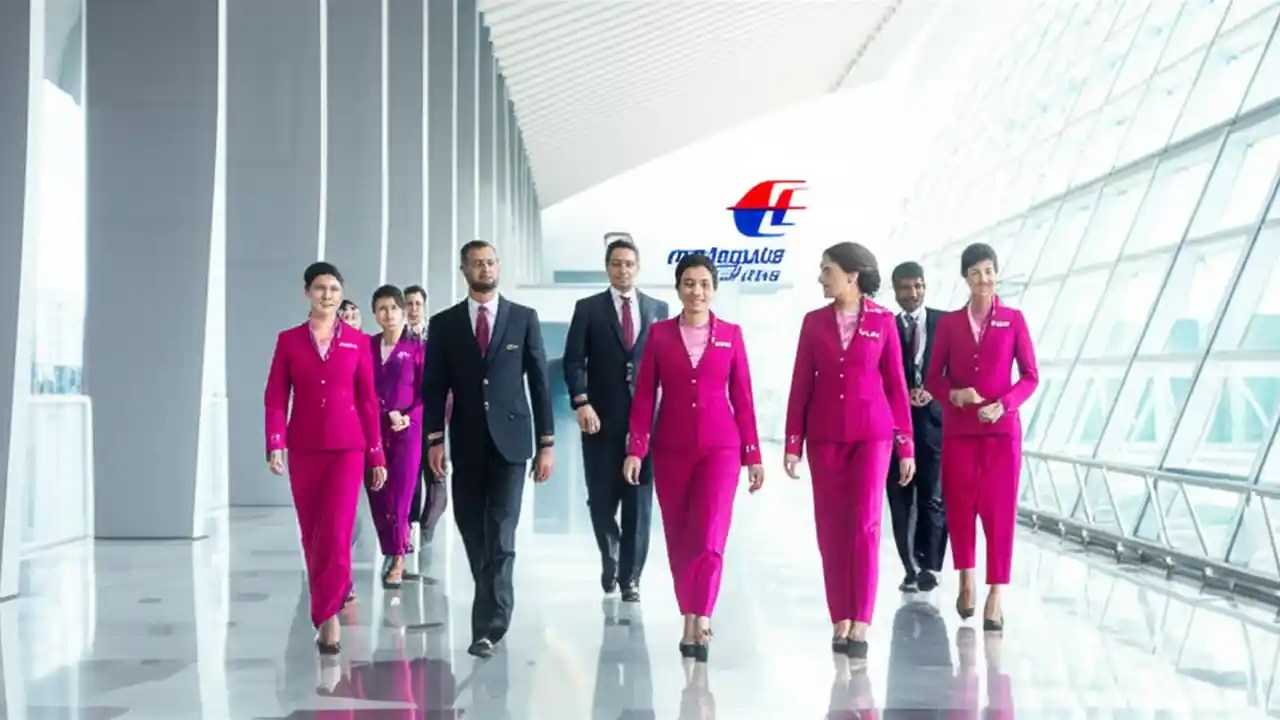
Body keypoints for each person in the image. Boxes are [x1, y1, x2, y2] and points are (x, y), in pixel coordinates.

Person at [623, 252, 765, 663]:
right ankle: (688, 611)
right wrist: (636, 449)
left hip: (721, 449)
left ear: (714, 289)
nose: (696, 291)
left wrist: (753, 455)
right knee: (680, 537)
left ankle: (702, 615)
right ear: (678, 288)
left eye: (704, 284)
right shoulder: (659, 335)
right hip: (671, 449)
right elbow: (644, 396)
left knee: (710, 534)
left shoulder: (732, 335)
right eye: (689, 283)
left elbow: (743, 397)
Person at [421, 240, 555, 659]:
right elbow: (433, 387)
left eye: (491, 262)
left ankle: (489, 627)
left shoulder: (523, 318)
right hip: (465, 442)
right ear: (464, 269)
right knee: (471, 528)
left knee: (501, 530)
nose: (486, 268)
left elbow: (540, 383)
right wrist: (434, 440)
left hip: (512, 444)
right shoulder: (444, 324)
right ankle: (491, 598)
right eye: (478, 263)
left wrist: (547, 443)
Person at [782, 242, 915, 659]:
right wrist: (793, 442)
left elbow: (896, 386)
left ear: (852, 276)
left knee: (865, 526)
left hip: (872, 436)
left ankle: (861, 618)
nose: (821, 277)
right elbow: (801, 383)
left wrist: (906, 445)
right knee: (831, 528)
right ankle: (839, 614)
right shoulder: (813, 323)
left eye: (827, 270)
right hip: (824, 437)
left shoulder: (883, 321)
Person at [264, 261, 387, 655]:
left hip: (347, 448)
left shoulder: (357, 342)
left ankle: (329, 614)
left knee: (336, 530)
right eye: (320, 288)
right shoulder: (288, 341)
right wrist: (275, 442)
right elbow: (275, 395)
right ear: (307, 292)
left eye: (334, 289)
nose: (328, 295)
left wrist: (376, 454)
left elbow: (367, 401)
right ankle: (329, 600)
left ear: (341, 294)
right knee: (312, 532)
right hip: (303, 447)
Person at [924, 242, 1038, 632]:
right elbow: (933, 379)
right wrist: (955, 395)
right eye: (975, 273)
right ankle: (966, 579)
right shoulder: (950, 325)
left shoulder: (1013, 320)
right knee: (959, 508)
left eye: (989, 271)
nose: (984, 279)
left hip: (1001, 435)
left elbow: (1030, 377)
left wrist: (1004, 405)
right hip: (959, 433)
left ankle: (996, 593)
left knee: (999, 512)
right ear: (965, 278)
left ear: (996, 274)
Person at [563, 236, 669, 602]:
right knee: (601, 499)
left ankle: (631, 578)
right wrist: (582, 402)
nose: (623, 270)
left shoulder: (658, 309)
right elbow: (573, 360)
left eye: (629, 263)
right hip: (600, 420)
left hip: (646, 423)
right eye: (616, 263)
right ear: (607, 268)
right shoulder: (588, 309)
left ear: (638, 268)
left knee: (639, 502)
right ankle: (610, 555)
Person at [887, 261, 948, 593]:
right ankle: (910, 567)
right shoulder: (886, 326)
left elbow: (957, 370)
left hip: (934, 423)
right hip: (896, 425)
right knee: (900, 500)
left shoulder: (945, 323)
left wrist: (933, 393)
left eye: (919, 286)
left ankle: (931, 567)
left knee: (933, 497)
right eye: (906, 287)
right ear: (895, 290)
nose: (913, 293)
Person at [366, 284, 425, 589]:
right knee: (378, 492)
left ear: (403, 312)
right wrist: (382, 411)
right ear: (375, 314)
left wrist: (408, 417)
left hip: (407, 432)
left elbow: (427, 391)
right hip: (373, 430)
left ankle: (398, 558)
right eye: (382, 309)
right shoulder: (367, 347)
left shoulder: (417, 348)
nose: (388, 314)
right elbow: (361, 388)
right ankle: (391, 548)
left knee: (401, 494)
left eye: (393, 308)